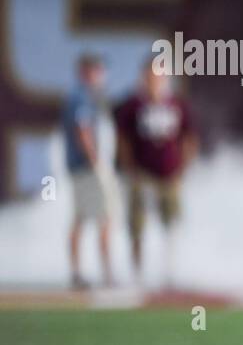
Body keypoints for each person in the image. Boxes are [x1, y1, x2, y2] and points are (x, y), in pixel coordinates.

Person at [114, 57, 197, 284]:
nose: (155, 80)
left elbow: (189, 138)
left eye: (159, 75)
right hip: (142, 173)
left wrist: (183, 167)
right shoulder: (132, 105)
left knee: (171, 223)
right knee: (137, 225)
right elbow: (123, 140)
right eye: (151, 75)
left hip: (169, 173)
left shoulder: (177, 104)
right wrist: (129, 168)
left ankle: (169, 271)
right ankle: (137, 272)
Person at [63, 53, 114, 289]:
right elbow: (82, 130)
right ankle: (106, 274)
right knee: (104, 217)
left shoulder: (80, 96)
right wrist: (97, 163)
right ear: (86, 72)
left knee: (81, 218)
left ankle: (77, 272)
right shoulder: (82, 97)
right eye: (97, 70)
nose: (101, 76)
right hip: (86, 168)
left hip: (79, 167)